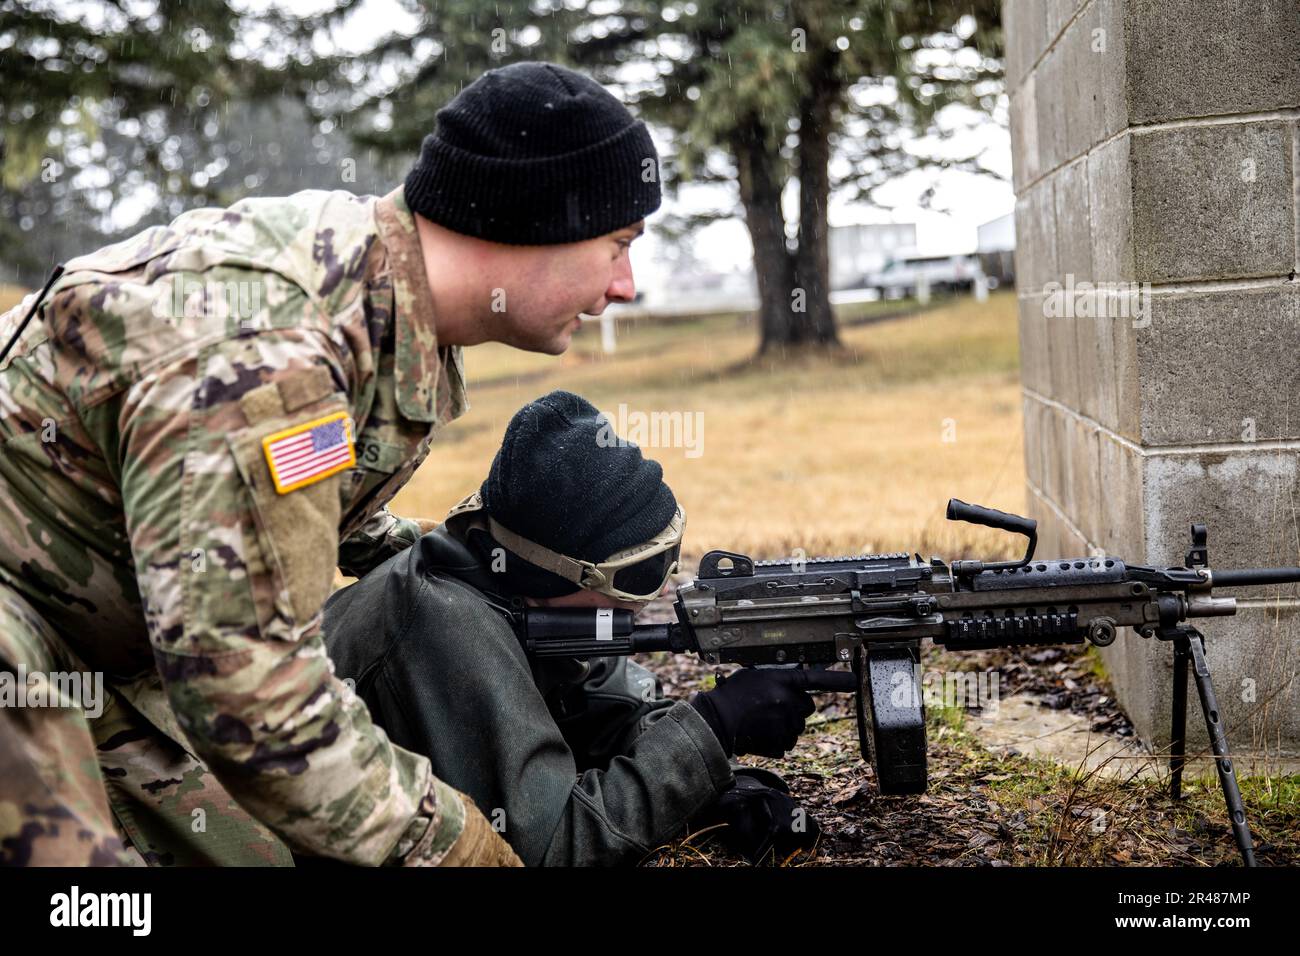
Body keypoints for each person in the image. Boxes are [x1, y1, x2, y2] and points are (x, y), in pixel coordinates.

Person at [0, 61, 659, 866]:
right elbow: (250, 699)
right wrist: (460, 849)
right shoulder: (275, 354)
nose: (628, 285)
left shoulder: (375, 293)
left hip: (112, 654)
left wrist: (472, 563)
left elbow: (291, 510)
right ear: (536, 222)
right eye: (619, 244)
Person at [323, 390, 854, 865]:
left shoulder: (511, 587)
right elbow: (552, 845)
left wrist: (717, 782)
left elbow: (604, 712)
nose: (646, 599)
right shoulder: (450, 626)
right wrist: (712, 724)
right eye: (635, 575)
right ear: (551, 567)